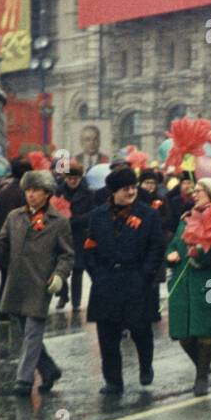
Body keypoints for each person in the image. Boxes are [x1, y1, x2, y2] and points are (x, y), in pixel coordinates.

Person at [0, 170, 74, 397]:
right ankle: (49, 369)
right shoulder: (15, 216)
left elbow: (67, 255)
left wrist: (60, 276)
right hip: (16, 281)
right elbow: (1, 240)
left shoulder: (59, 222)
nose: (31, 195)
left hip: (41, 284)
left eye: (36, 191)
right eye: (28, 190)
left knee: (33, 333)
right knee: (25, 332)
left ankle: (23, 380)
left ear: (47, 194)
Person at [84, 166, 166, 394]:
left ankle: (145, 366)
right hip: (106, 284)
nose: (130, 192)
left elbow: (156, 247)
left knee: (141, 332)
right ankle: (113, 380)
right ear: (113, 192)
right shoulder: (98, 215)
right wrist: (97, 275)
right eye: (125, 189)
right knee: (107, 337)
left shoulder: (148, 214)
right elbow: (89, 248)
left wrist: (145, 274)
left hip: (136, 282)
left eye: (133, 187)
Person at [165, 177, 211, 396]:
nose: (194, 194)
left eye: (200, 191)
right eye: (194, 191)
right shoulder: (186, 217)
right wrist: (170, 255)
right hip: (183, 279)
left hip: (210, 280)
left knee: (207, 325)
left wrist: (201, 254)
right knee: (183, 331)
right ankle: (202, 365)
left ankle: (201, 376)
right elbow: (174, 243)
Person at [0, 158, 30, 321]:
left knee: (5, 278)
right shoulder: (27, 195)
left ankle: (1, 311)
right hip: (21, 244)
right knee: (20, 279)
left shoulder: (2, 193)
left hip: (4, 243)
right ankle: (16, 311)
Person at [56, 162, 94, 312]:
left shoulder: (88, 193)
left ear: (80, 178)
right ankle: (62, 294)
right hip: (61, 235)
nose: (72, 181)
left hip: (79, 234)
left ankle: (76, 302)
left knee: (78, 269)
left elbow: (91, 214)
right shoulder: (58, 192)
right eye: (69, 178)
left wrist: (75, 220)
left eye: (75, 178)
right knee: (60, 267)